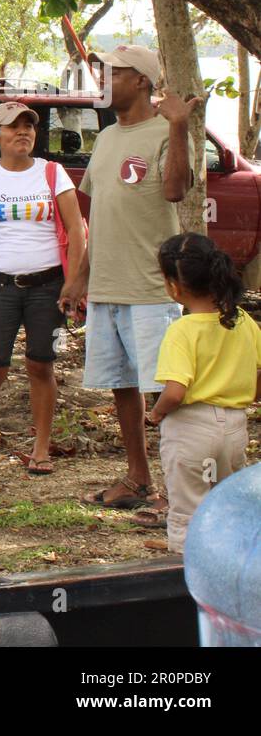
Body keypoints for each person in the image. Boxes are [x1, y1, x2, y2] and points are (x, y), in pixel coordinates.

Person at [59, 45, 198, 508]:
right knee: (122, 386)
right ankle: (140, 480)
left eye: (113, 73)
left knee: (166, 388)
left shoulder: (167, 130)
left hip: (151, 288)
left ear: (141, 80)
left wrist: (179, 126)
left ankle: (181, 492)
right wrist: (81, 277)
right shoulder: (105, 139)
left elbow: (177, 190)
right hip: (106, 287)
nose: (103, 80)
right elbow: (101, 212)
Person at [0, 102, 86, 475]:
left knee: (41, 366)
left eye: (28, 126)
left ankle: (41, 449)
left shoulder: (52, 173)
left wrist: (74, 285)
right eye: (12, 127)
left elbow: (76, 231)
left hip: (48, 288)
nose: (23, 132)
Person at [148, 234, 257, 550]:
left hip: (190, 427)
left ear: (174, 287)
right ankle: (227, 562)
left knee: (188, 507)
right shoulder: (242, 320)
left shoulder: (181, 331)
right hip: (235, 427)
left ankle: (184, 569)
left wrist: (155, 414)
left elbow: (175, 392)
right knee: (229, 502)